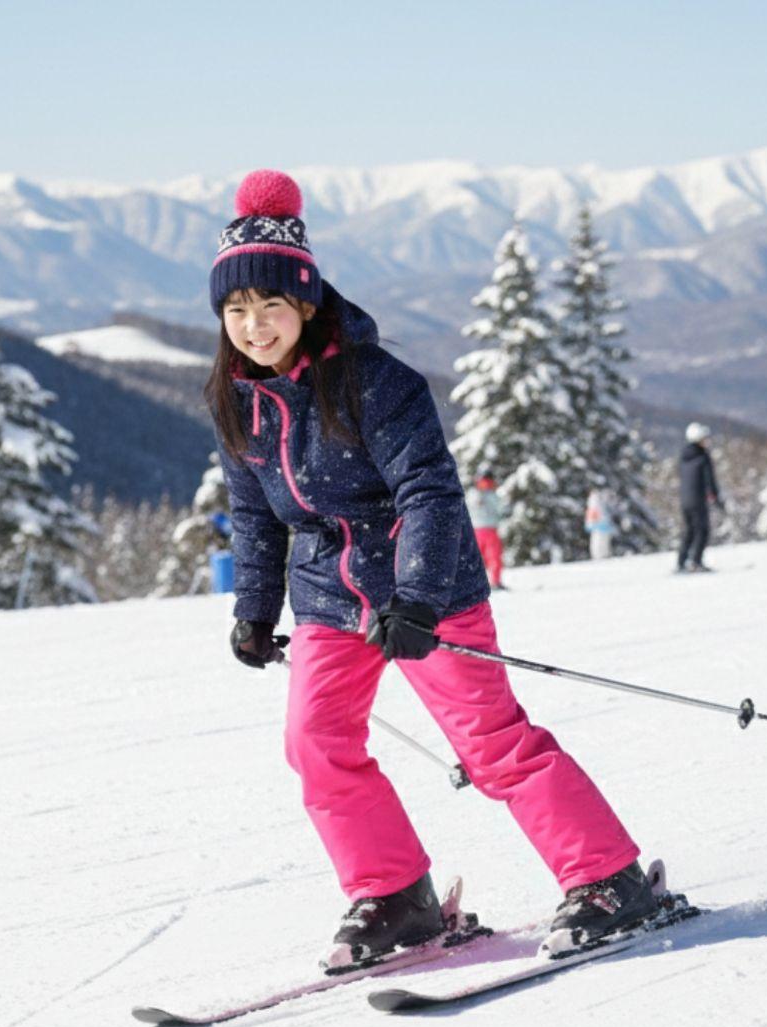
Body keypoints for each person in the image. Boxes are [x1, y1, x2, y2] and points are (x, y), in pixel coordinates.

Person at [206, 169, 655, 965]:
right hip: (326, 601)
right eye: (236, 310)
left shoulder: (377, 383)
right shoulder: (238, 400)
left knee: (493, 745)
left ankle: (608, 878)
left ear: (305, 304)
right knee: (316, 743)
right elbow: (255, 515)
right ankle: (393, 896)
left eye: (269, 305)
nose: (254, 324)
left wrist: (415, 595)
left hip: (426, 591)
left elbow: (430, 492)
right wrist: (253, 609)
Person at [677, 422, 723, 572]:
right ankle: (696, 562)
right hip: (698, 499)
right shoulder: (703, 457)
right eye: (704, 438)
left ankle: (682, 561)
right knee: (702, 530)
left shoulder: (684, 456)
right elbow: (710, 481)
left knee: (690, 531)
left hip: (684, 500)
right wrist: (716, 499)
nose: (707, 440)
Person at [464, 469, 506, 588]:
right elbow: (500, 509)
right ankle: (494, 581)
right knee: (493, 557)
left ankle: (471, 584)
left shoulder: (475, 493)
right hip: (487, 530)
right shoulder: (489, 494)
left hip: (477, 530)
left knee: (475, 559)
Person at [584, 486, 616, 559]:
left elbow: (593, 514)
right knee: (599, 542)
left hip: (600, 526)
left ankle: (601, 555)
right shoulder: (596, 501)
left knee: (599, 542)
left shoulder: (596, 501)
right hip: (600, 526)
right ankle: (601, 555)